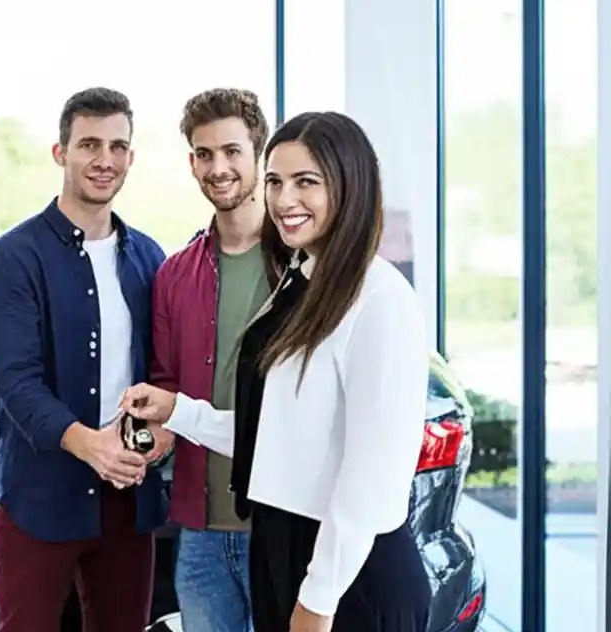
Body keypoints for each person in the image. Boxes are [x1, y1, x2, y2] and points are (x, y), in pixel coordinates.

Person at [119, 111, 432, 632]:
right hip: (284, 548)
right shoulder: (304, 282)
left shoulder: (381, 300)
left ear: (349, 185)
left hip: (347, 575)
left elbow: (371, 479)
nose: (284, 201)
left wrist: (319, 599)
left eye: (306, 182)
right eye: (276, 182)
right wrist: (179, 412)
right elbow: (280, 438)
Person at [0, 86, 172, 632]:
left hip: (127, 503)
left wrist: (164, 436)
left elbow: (162, 372)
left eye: (118, 146)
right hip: (39, 500)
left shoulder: (149, 257)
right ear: (61, 151)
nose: (104, 160)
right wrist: (93, 447)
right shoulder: (14, 257)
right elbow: (17, 383)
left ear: (131, 157)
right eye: (89, 144)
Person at [151, 88, 281, 632]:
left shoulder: (303, 268)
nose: (218, 168)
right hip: (199, 535)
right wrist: (144, 442)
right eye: (204, 155)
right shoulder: (174, 274)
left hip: (281, 525)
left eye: (232, 151)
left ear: (260, 154)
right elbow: (165, 387)